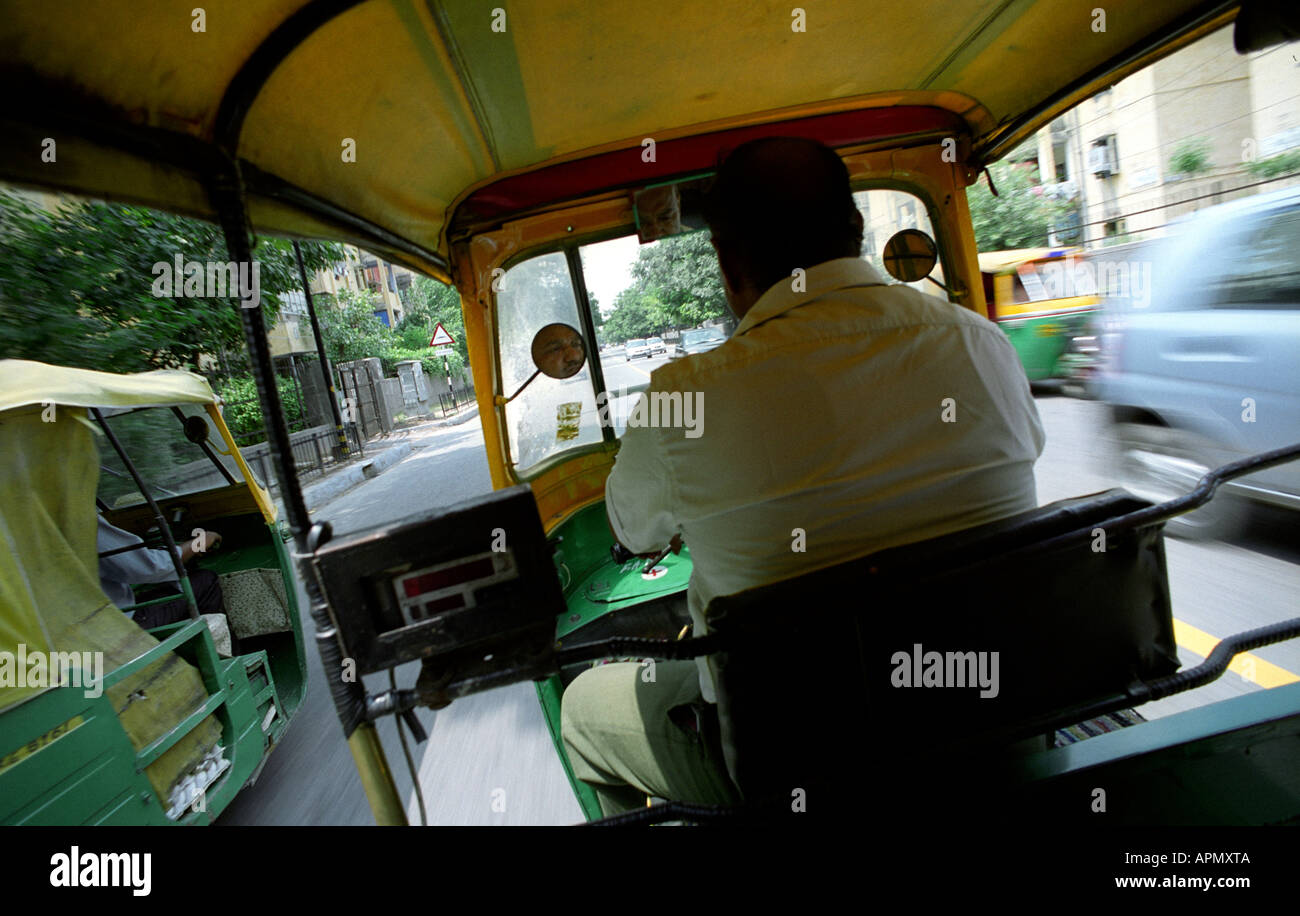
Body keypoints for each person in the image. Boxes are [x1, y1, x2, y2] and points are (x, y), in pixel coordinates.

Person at [560, 137, 1046, 816]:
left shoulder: (683, 398)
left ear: (728, 263)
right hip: (998, 728)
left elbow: (633, 530)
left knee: (583, 710)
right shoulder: (983, 344)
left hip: (796, 768)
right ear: (856, 230)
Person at [97, 515, 227, 631]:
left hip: (92, 621)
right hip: (118, 624)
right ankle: (221, 653)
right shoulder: (85, 522)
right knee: (205, 580)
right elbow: (149, 567)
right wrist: (197, 544)